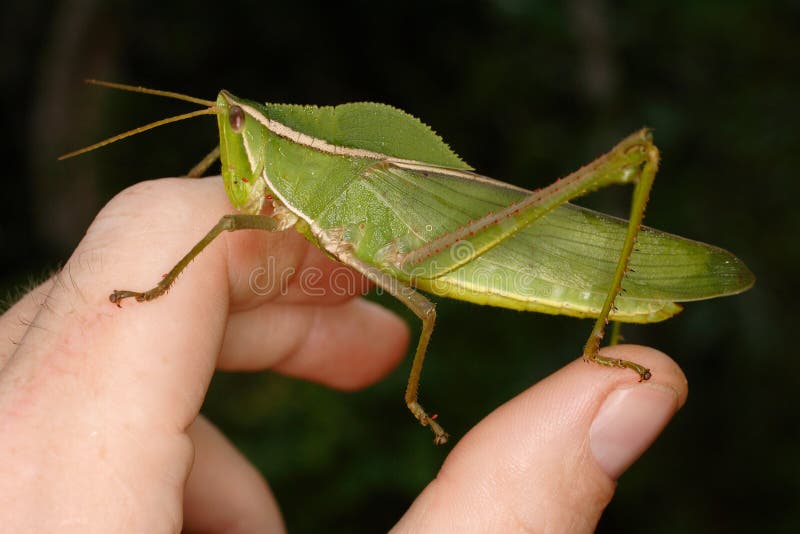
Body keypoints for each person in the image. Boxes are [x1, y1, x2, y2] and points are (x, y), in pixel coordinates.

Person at [0, 176, 687, 532]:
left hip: (454, 249)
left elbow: (423, 307)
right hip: (421, 248)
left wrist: (417, 404)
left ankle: (598, 337)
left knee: (417, 305)